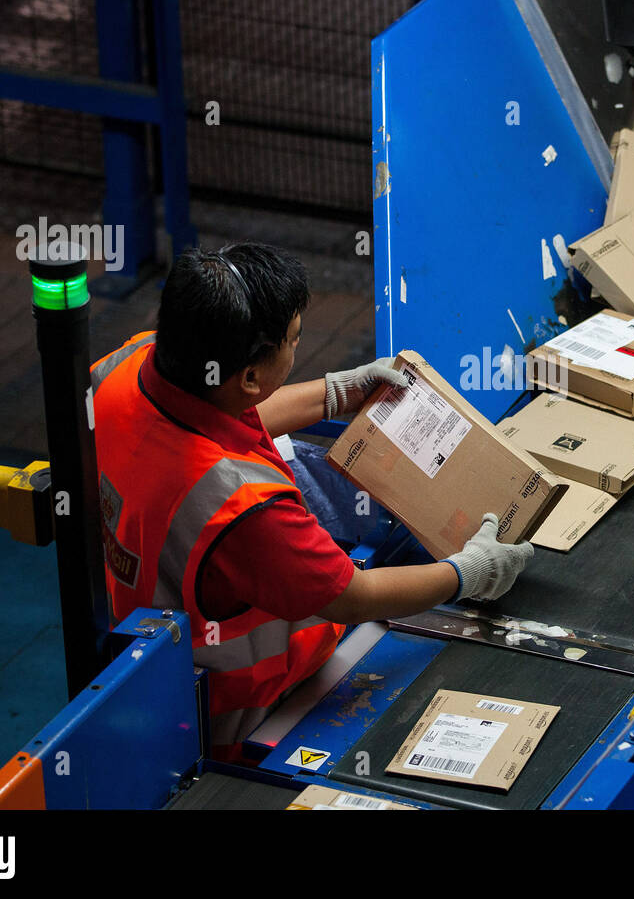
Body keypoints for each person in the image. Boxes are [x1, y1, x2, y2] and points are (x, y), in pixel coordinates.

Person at [90, 242, 534, 761]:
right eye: (293, 342)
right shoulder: (239, 505)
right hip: (241, 713)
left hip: (152, 622)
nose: (298, 350)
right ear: (251, 377)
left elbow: (220, 416)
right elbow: (355, 595)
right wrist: (468, 572)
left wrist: (335, 392)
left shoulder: (134, 364)